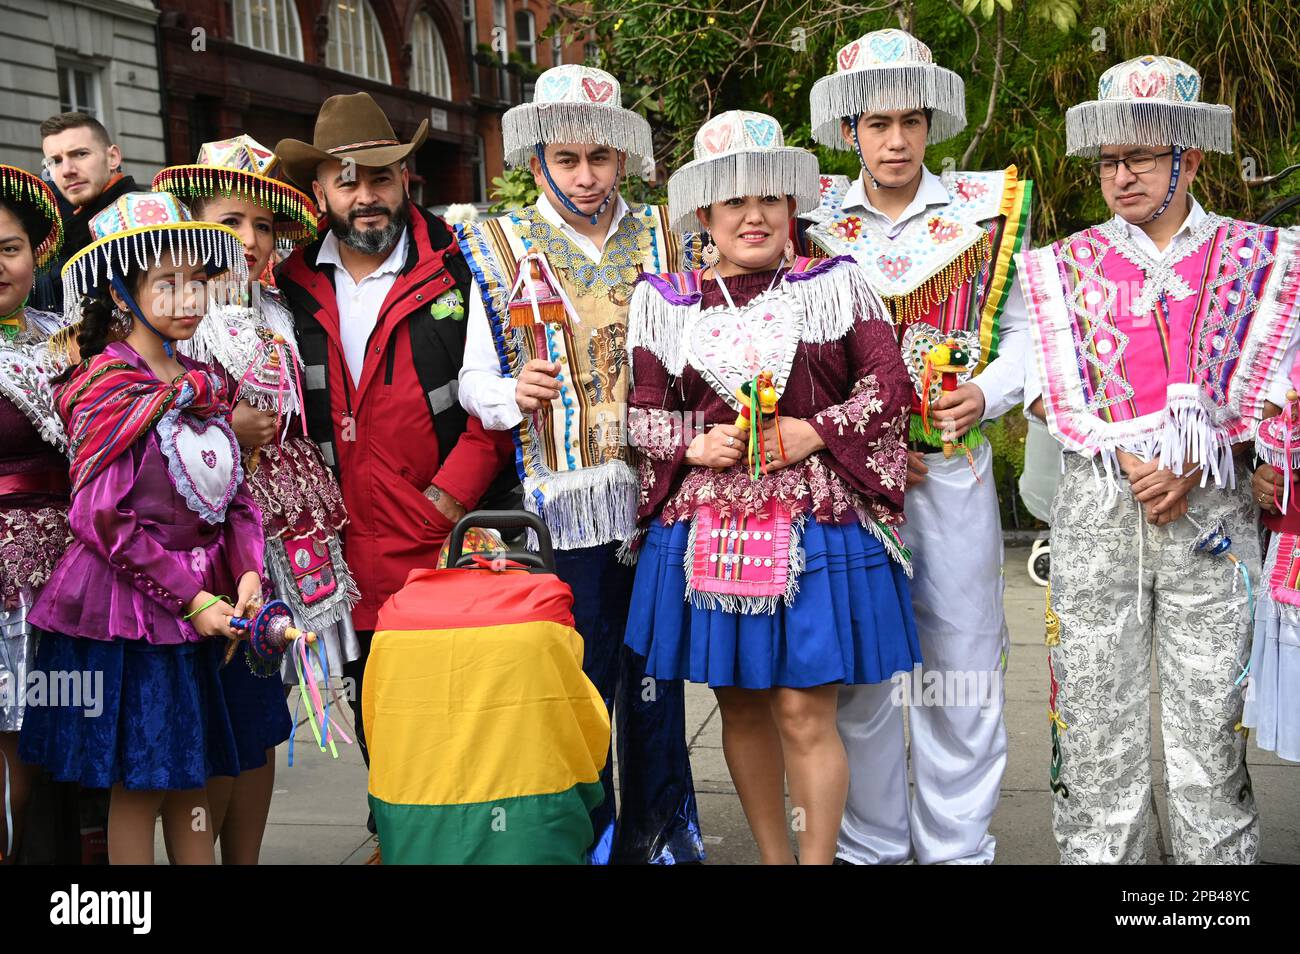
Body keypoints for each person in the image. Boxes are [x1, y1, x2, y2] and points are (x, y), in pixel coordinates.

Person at [1018, 55, 1300, 864]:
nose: (1122, 175)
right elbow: (1045, 387)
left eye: (1142, 156)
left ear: (1191, 158)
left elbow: (1279, 387)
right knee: (1096, 719)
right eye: (1110, 160)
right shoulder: (1067, 265)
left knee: (1210, 725)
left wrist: (1207, 456)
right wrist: (1136, 452)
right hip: (1100, 508)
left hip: (1212, 511)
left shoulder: (1262, 259)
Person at [625, 110, 920, 864]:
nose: (751, 216)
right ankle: (773, 859)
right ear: (704, 214)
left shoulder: (834, 284)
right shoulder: (665, 300)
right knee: (744, 704)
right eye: (732, 202)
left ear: (793, 208)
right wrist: (693, 442)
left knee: (802, 710)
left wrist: (814, 431)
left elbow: (891, 385)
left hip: (814, 521)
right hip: (708, 531)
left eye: (768, 200)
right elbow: (640, 417)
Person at [457, 64, 704, 864]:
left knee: (657, 675)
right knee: (581, 679)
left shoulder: (668, 234)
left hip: (661, 488)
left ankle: (662, 837)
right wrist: (508, 391)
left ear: (624, 158)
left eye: (600, 157)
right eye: (567, 161)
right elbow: (471, 380)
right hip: (563, 501)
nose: (586, 176)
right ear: (537, 163)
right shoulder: (502, 243)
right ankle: (591, 843)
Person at [801, 28, 1033, 864]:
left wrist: (988, 391)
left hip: (950, 472)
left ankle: (956, 848)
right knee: (859, 667)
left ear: (931, 124)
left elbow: (1026, 334)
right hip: (842, 483)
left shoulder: (985, 209)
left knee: (961, 664)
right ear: (849, 128)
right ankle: (869, 846)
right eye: (876, 123)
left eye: (910, 121)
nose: (894, 140)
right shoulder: (805, 215)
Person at [274, 93, 516, 772]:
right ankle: (394, 830)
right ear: (318, 189)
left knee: (462, 709)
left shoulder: (463, 265)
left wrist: (449, 498)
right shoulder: (287, 287)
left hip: (447, 531)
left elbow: (498, 393)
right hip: (343, 544)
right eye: (346, 181)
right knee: (376, 704)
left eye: (380, 177)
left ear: (406, 177)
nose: (366, 197)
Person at [19, 192, 261, 864]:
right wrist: (191, 598)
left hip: (208, 601)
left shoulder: (205, 380)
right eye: (167, 283)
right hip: (132, 610)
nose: (188, 299)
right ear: (123, 292)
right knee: (140, 784)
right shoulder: (106, 384)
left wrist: (246, 574)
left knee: (190, 772)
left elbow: (236, 496)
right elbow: (97, 515)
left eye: (197, 282)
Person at [155, 134, 360, 863]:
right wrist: (225, 430)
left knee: (265, 713)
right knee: (219, 718)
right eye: (230, 222)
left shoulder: (280, 309)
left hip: (287, 534)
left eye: (262, 225)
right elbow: (142, 428)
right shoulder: (172, 312)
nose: (247, 239)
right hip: (210, 545)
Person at [0, 164, 70, 862]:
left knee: (59, 753)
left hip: (74, 576)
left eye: (8, 248)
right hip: (2, 590)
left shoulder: (67, 339)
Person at [39, 112, 143, 309]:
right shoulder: (68, 228)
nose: (67, 170)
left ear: (112, 158)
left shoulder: (146, 222)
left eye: (80, 154)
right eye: (55, 161)